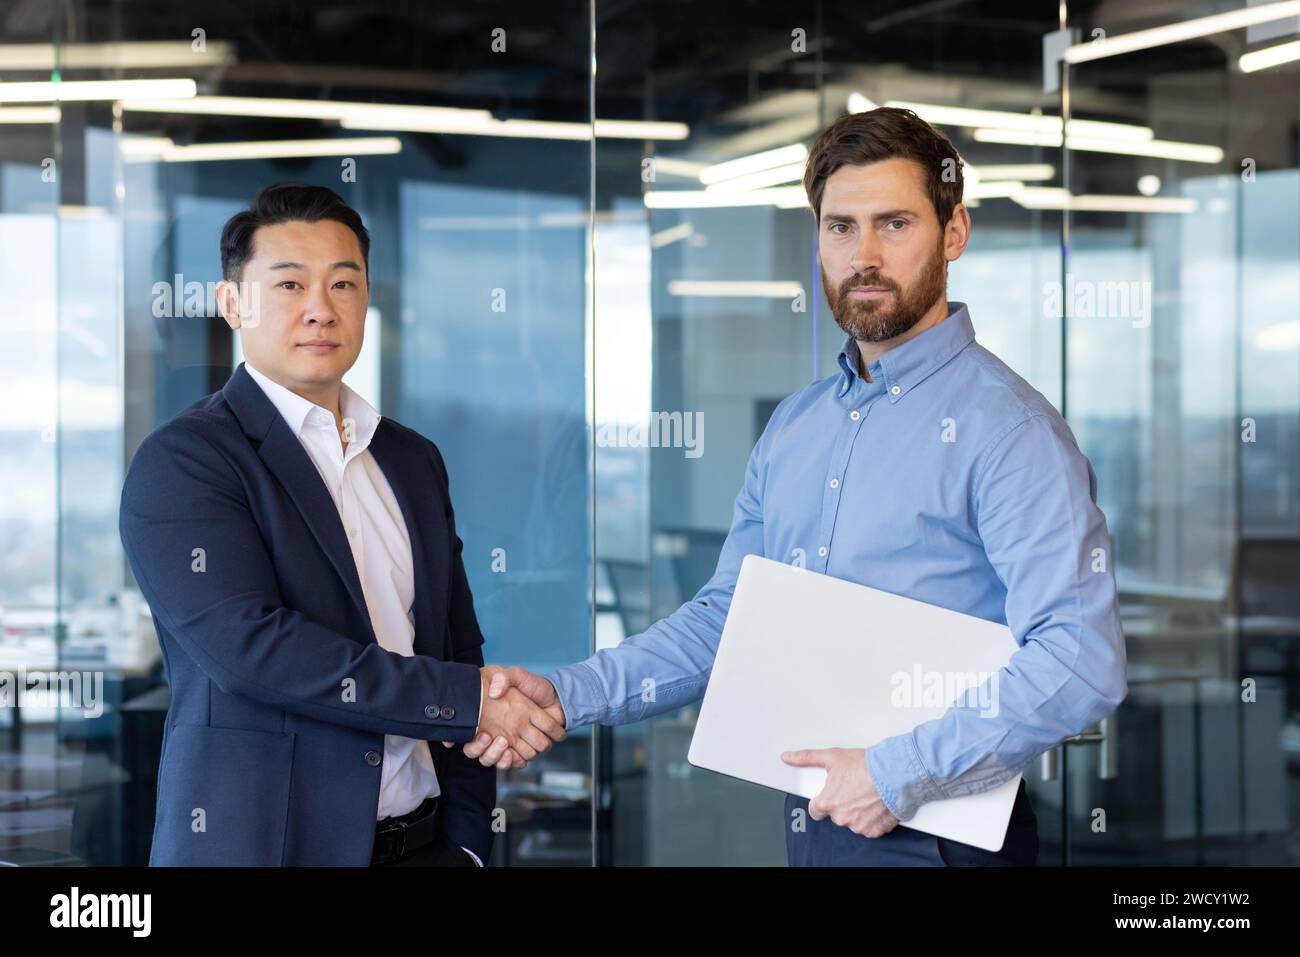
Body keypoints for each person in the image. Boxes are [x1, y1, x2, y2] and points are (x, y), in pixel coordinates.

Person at [471, 107, 1128, 867]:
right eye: (841, 226)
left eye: (895, 223)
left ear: (953, 234)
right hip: (816, 817)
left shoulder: (1009, 430)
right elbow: (729, 620)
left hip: (943, 840)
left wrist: (892, 774)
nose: (865, 254)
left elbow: (1080, 656)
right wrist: (572, 693)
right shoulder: (796, 426)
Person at [119, 183, 563, 866]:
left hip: (425, 846)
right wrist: (467, 701)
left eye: (344, 283)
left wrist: (469, 842)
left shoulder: (411, 459)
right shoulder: (186, 460)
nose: (321, 309)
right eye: (290, 284)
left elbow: (456, 646)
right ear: (232, 303)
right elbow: (255, 649)